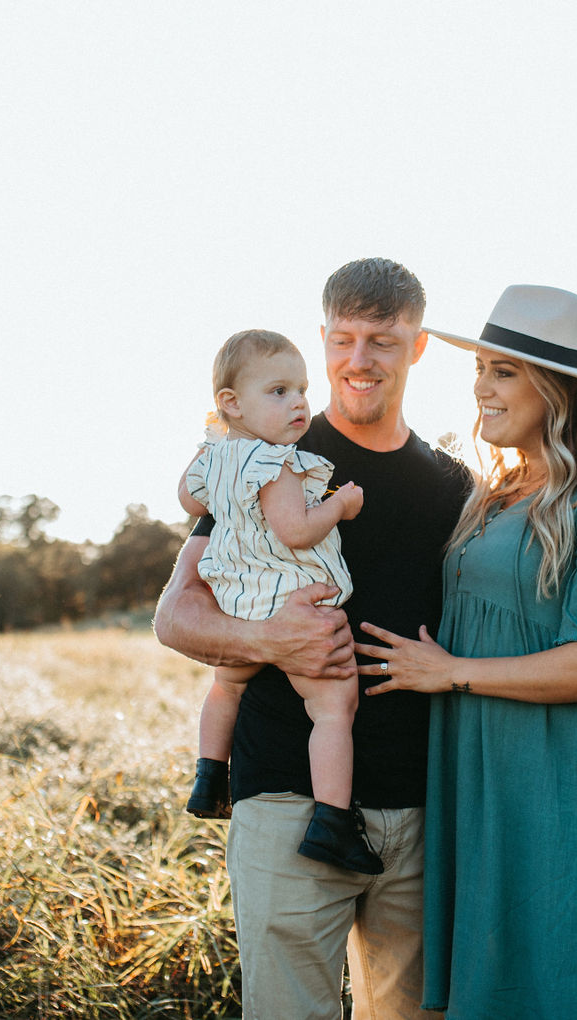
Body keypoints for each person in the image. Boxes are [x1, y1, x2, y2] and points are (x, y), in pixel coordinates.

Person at [154, 258, 471, 1019]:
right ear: (323, 337)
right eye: (343, 338)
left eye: (384, 342)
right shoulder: (269, 457)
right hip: (288, 805)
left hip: (421, 815)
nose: (359, 360)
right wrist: (271, 640)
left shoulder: (454, 486)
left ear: (418, 347)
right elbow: (175, 615)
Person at [358, 284, 577, 1018]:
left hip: (567, 782)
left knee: (567, 969)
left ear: (558, 387)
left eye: (503, 371)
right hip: (483, 777)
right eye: (480, 368)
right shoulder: (497, 490)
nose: (481, 386)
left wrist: (451, 674)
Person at [177, 328, 381, 874]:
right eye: (278, 391)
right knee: (334, 708)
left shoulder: (215, 456)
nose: (298, 403)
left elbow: (186, 497)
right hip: (289, 601)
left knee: (227, 685)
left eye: (301, 390)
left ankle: (208, 776)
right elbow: (295, 530)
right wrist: (340, 505)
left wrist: (217, 453)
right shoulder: (278, 462)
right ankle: (334, 821)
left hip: (236, 602)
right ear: (232, 402)